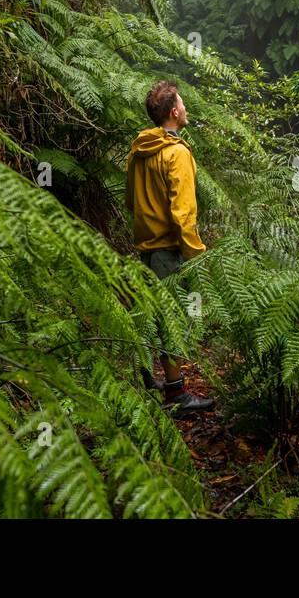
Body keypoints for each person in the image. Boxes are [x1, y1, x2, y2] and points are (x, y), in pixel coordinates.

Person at [125, 80, 215, 414]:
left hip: (146, 246)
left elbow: (130, 199)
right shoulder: (176, 154)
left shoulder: (140, 149)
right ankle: (176, 393)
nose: (186, 108)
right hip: (169, 248)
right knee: (172, 319)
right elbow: (183, 213)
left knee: (152, 313)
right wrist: (197, 256)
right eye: (183, 103)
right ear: (175, 112)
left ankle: (149, 377)